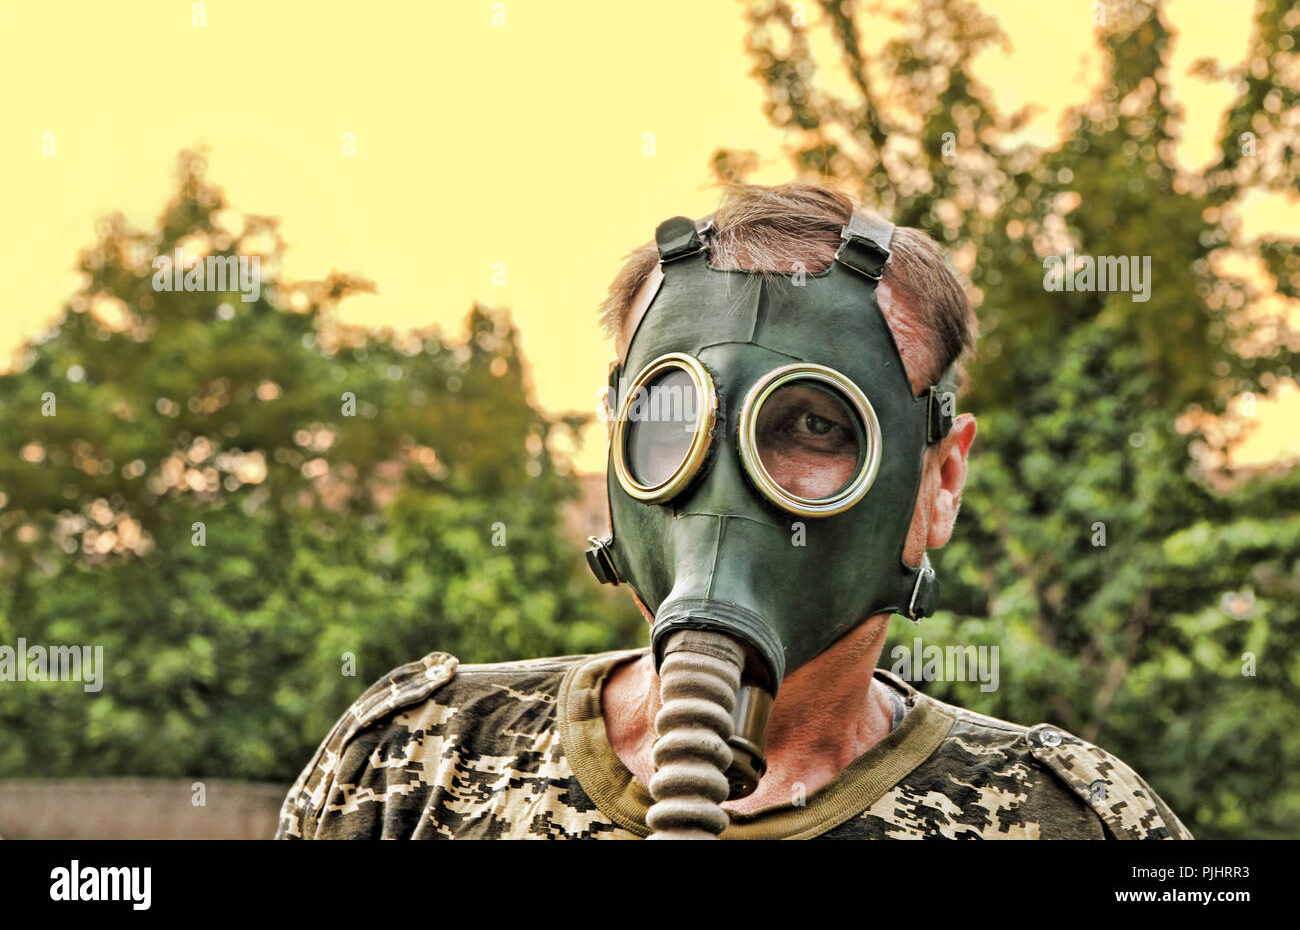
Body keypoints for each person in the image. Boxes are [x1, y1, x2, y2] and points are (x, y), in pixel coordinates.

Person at [276, 182, 1192, 840]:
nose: (724, 486)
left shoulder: (1077, 824)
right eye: (674, 415)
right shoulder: (415, 770)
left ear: (939, 481)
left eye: (815, 425)